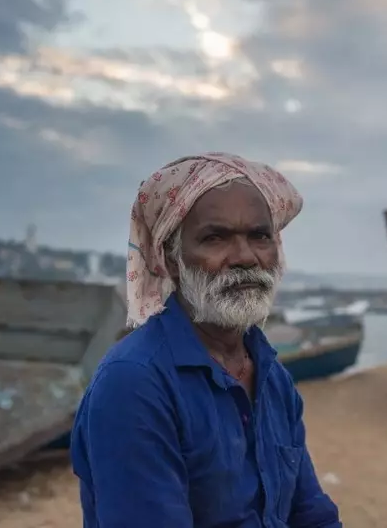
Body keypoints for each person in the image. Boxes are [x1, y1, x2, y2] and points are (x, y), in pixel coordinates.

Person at [70, 152, 342, 527]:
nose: (245, 257)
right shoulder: (134, 383)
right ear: (169, 258)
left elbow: (310, 514)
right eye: (216, 238)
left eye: (259, 236)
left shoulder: (271, 377)